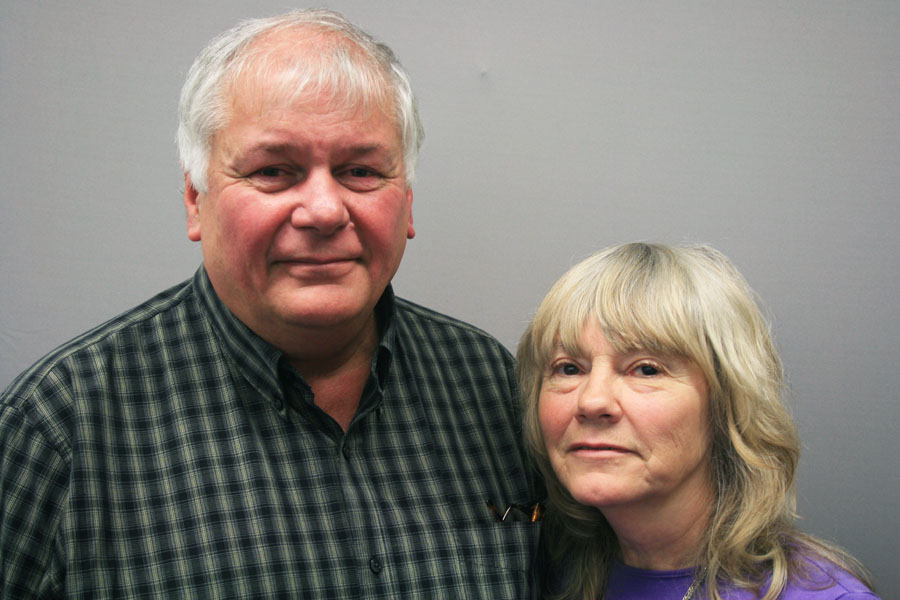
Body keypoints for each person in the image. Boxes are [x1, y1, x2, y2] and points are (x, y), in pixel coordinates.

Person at [0, 9, 540, 598]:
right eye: (274, 171)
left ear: (407, 203)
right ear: (195, 199)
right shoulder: (60, 428)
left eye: (361, 171)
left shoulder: (489, 385)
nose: (324, 211)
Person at [517, 242, 878, 600]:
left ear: (727, 403)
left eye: (646, 369)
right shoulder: (534, 577)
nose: (592, 401)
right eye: (568, 369)